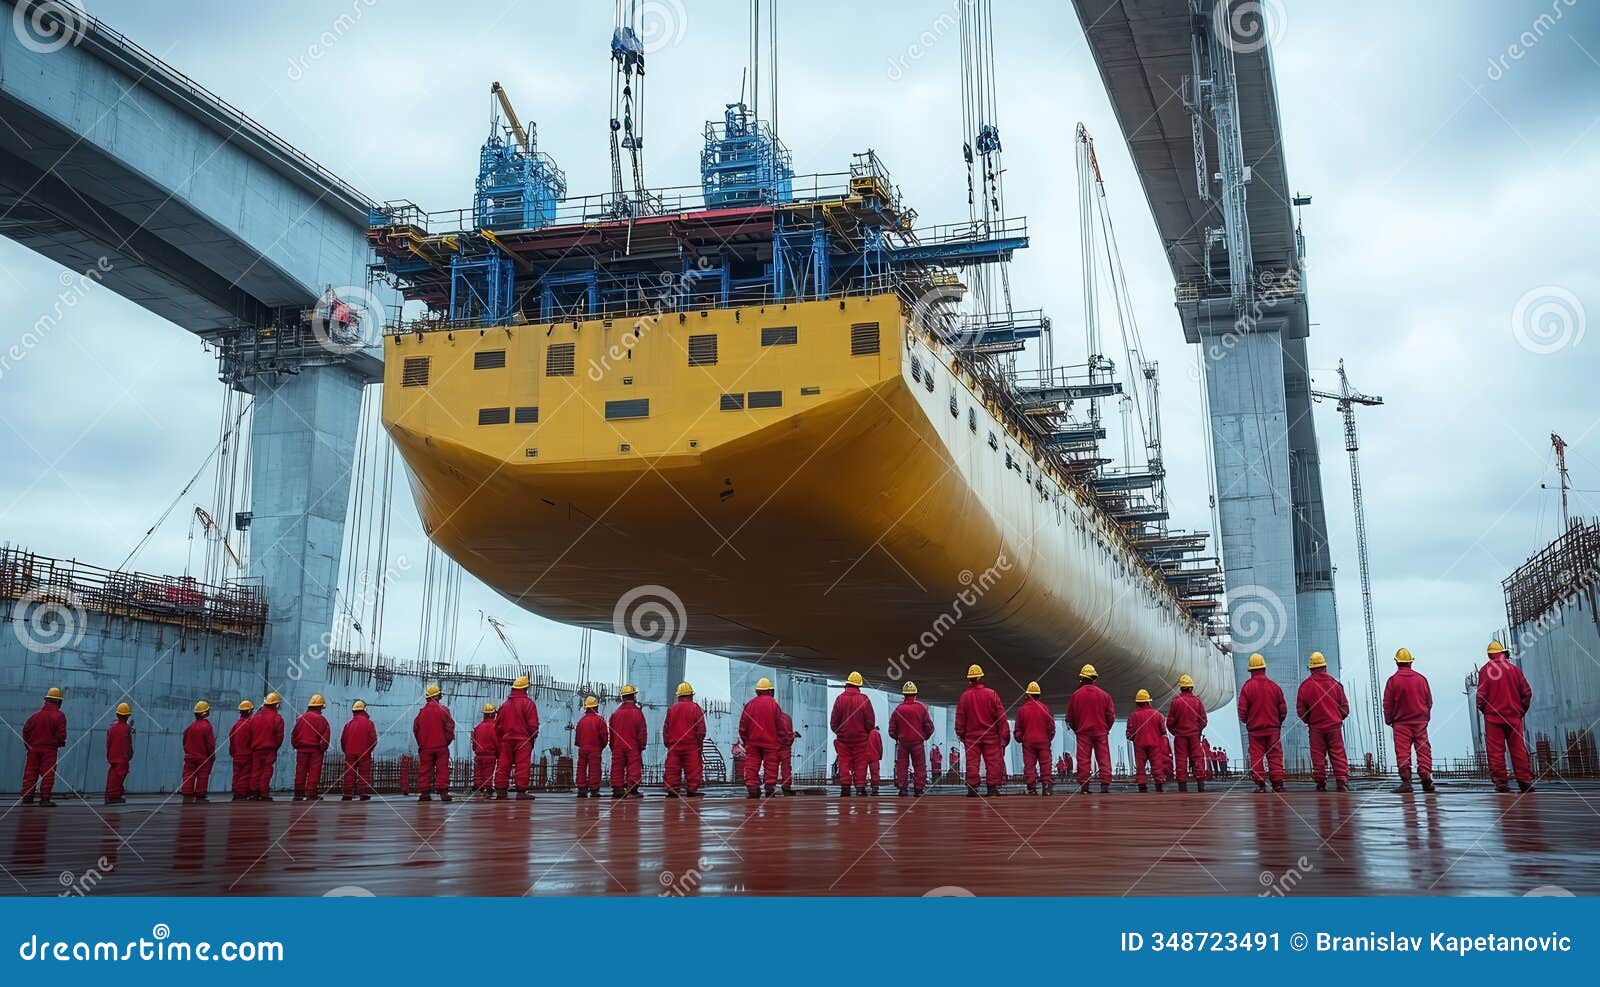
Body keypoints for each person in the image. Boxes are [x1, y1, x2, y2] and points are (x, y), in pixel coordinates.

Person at [1476, 641, 1535, 793]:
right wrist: (1521, 711)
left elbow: (1480, 697)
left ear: (1490, 655)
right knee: (1518, 749)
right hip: (1514, 718)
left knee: (1496, 752)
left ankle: (1501, 783)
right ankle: (1524, 781)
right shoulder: (1514, 670)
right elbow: (1527, 693)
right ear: (1503, 653)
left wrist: (1486, 711)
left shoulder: (1485, 671)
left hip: (1493, 719)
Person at [1295, 652, 1351, 792]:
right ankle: (1342, 782)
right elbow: (1345, 708)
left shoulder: (1305, 686)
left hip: (1316, 728)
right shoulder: (1335, 685)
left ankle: (1320, 783)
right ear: (1325, 667)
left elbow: (1301, 710)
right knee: (1338, 753)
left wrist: (1310, 721)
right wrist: (1337, 718)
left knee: (1318, 755)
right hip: (1334, 727)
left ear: (1310, 668)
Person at [1383, 647, 1434, 793]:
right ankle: (1426, 779)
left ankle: (1406, 782)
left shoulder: (1393, 681)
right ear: (1411, 662)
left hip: (1401, 724)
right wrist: (1425, 718)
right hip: (1419, 722)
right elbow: (1428, 701)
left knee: (1403, 752)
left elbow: (1388, 704)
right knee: (1423, 750)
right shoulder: (1421, 679)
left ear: (1397, 663)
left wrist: (1389, 720)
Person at [955, 664, 1009, 796]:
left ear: (969, 679)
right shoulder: (992, 694)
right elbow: (1001, 716)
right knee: (993, 762)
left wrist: (961, 734)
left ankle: (972, 788)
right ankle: (992, 789)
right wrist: (1004, 736)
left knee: (972, 763)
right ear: (980, 677)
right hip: (991, 736)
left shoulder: (965, 697)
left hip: (972, 737)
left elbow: (960, 718)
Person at [1237, 654, 1288, 793]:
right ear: (1264, 668)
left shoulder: (1247, 688)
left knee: (1256, 756)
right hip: (1273, 729)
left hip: (1255, 731)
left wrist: (1248, 721)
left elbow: (1242, 710)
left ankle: (1260, 785)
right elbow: (1283, 709)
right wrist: (1278, 721)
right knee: (1275, 755)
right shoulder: (1274, 687)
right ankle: (1278, 784)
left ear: (1251, 671)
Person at [1066, 664, 1116, 793]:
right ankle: (1105, 786)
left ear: (1082, 679)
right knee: (1104, 758)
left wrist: (1077, 729)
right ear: (1094, 678)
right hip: (1100, 732)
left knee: (1083, 760)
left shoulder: (1076, 696)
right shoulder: (1105, 695)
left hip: (1083, 732)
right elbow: (1110, 716)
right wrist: (1106, 729)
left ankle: (1084, 787)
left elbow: (1070, 717)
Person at [495, 674, 540, 799]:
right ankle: (521, 792)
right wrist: (531, 739)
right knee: (522, 765)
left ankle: (501, 791)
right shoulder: (528, 704)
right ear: (525, 689)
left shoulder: (504, 706)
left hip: (506, 740)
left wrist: (502, 739)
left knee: (503, 764)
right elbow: (533, 725)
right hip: (522, 740)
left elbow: (498, 726)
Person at [20, 687, 68, 807]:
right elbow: (61, 735)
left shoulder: (35, 716)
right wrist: (59, 742)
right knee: (48, 774)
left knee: (30, 772)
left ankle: (27, 797)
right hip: (49, 749)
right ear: (59, 702)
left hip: (34, 748)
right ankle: (45, 799)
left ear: (46, 700)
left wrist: (28, 745)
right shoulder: (59, 716)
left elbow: (25, 730)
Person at [830, 671, 875, 796]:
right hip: (860, 738)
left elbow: (834, 720)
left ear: (847, 684)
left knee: (844, 762)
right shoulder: (864, 699)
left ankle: (845, 787)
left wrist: (839, 731)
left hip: (843, 738)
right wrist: (866, 731)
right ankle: (860, 788)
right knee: (861, 762)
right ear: (859, 686)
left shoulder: (839, 699)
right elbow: (870, 720)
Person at [737, 678, 784, 797]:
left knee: (751, 765)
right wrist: (781, 740)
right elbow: (780, 725)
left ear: (757, 691)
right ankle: (769, 787)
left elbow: (743, 725)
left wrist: (746, 740)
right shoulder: (774, 705)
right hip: (770, 742)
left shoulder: (750, 705)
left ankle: (752, 789)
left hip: (753, 742)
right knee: (771, 765)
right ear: (770, 691)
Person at [888, 681, 934, 796]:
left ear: (904, 694)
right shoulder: (921, 708)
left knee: (902, 766)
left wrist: (897, 738)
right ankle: (918, 789)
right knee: (919, 765)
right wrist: (924, 737)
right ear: (915, 694)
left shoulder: (898, 709)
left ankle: (903, 789)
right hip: (917, 742)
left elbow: (892, 729)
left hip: (903, 743)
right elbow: (929, 726)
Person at [413, 684, 456, 802]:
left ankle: (424, 793)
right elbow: (450, 727)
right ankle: (443, 793)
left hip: (425, 747)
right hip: (441, 746)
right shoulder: (444, 710)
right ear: (437, 696)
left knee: (425, 769)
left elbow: (416, 729)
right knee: (442, 769)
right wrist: (445, 741)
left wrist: (421, 743)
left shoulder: (421, 713)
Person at [1165, 674, 1208, 792]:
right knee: (1198, 758)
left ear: (1180, 688)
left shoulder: (1175, 702)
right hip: (1194, 736)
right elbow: (1203, 720)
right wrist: (1197, 730)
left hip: (1180, 737)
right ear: (1191, 688)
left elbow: (1169, 722)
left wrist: (1176, 732)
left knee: (1181, 760)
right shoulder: (1197, 702)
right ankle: (1201, 786)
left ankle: (1182, 788)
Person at [663, 682, 707, 797]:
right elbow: (701, 728)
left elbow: (666, 728)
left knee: (672, 769)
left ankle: (672, 789)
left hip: (674, 745)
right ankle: (692, 790)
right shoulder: (695, 708)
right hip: (691, 745)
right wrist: (699, 743)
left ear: (678, 696)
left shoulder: (672, 709)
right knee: (693, 769)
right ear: (691, 695)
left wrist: (668, 743)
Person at [1013, 681, 1056, 795]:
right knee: (1046, 763)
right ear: (1038, 695)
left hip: (1028, 742)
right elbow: (1051, 727)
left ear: (1027, 695)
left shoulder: (1022, 710)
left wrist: (1021, 738)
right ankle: (1046, 787)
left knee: (1029, 765)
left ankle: (1031, 787)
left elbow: (1018, 729)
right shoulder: (1045, 708)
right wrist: (1048, 739)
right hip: (1043, 741)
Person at [609, 684, 648, 798]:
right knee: (634, 767)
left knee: (617, 767)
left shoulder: (615, 714)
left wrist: (613, 746)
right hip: (632, 745)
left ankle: (618, 790)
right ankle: (632, 791)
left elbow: (611, 732)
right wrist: (641, 746)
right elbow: (642, 731)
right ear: (633, 696)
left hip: (618, 745)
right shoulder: (637, 713)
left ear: (623, 697)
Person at [1126, 690, 1169, 792]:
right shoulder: (1158, 715)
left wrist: (1134, 738)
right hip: (1155, 744)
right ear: (1148, 702)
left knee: (1140, 767)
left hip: (1139, 745)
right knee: (1157, 765)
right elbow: (1163, 731)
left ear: (1137, 703)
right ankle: (1159, 785)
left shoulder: (1133, 716)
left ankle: (1142, 786)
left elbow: (1129, 733)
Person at [291, 694, 331, 801]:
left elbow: (294, 734)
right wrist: (322, 748)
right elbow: (325, 737)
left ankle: (298, 793)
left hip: (302, 749)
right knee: (314, 771)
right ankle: (311, 793)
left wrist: (296, 745)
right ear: (320, 706)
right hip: (315, 750)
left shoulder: (301, 719)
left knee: (300, 770)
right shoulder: (322, 720)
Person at [250, 692, 285, 801]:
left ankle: (253, 792)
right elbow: (279, 736)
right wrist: (275, 746)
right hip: (270, 748)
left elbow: (250, 733)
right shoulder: (277, 718)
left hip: (256, 748)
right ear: (276, 705)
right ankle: (263, 792)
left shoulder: (255, 717)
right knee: (267, 770)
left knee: (255, 770)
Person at [341, 700, 378, 800]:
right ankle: (363, 793)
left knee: (349, 773)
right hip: (364, 752)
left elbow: (343, 739)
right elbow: (373, 739)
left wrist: (346, 750)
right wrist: (369, 750)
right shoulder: (369, 723)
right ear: (364, 710)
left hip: (350, 752)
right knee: (364, 773)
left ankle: (347, 793)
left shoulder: (348, 724)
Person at [181, 701, 216, 803]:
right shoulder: (207, 727)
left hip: (190, 757)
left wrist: (188, 752)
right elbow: (210, 744)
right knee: (202, 776)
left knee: (188, 775)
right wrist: (212, 756)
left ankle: (187, 793)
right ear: (205, 713)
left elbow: (184, 742)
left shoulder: (190, 728)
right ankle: (200, 795)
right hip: (202, 757)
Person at [575, 696, 609, 799]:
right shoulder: (600, 720)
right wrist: (601, 746)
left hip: (583, 748)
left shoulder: (581, 721)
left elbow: (577, 738)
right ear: (596, 707)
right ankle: (594, 790)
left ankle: (581, 789)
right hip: (595, 748)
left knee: (581, 768)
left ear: (586, 707)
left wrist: (581, 745)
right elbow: (604, 736)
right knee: (595, 769)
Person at [105, 702, 134, 805]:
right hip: (122, 756)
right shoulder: (126, 728)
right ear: (127, 716)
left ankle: (111, 794)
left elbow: (108, 742)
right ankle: (113, 796)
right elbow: (128, 744)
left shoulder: (112, 728)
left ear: (117, 715)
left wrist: (108, 754)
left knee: (113, 774)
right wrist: (130, 754)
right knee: (119, 775)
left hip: (112, 755)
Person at [229, 701, 255, 801]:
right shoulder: (249, 725)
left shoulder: (235, 726)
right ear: (249, 711)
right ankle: (242, 793)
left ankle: (236, 791)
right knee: (245, 775)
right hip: (247, 754)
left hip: (236, 754)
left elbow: (231, 740)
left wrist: (233, 752)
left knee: (237, 774)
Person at [776, 708, 799, 796]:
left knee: (771, 767)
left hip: (775, 746)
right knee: (786, 767)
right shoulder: (787, 718)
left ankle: (770, 787)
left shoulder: (773, 717)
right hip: (786, 746)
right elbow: (789, 732)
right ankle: (786, 786)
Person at [867, 727, 884, 795]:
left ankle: (860, 788)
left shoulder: (861, 731)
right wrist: (880, 755)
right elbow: (879, 745)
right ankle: (875, 788)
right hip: (874, 755)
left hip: (862, 755)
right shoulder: (876, 733)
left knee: (861, 772)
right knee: (875, 773)